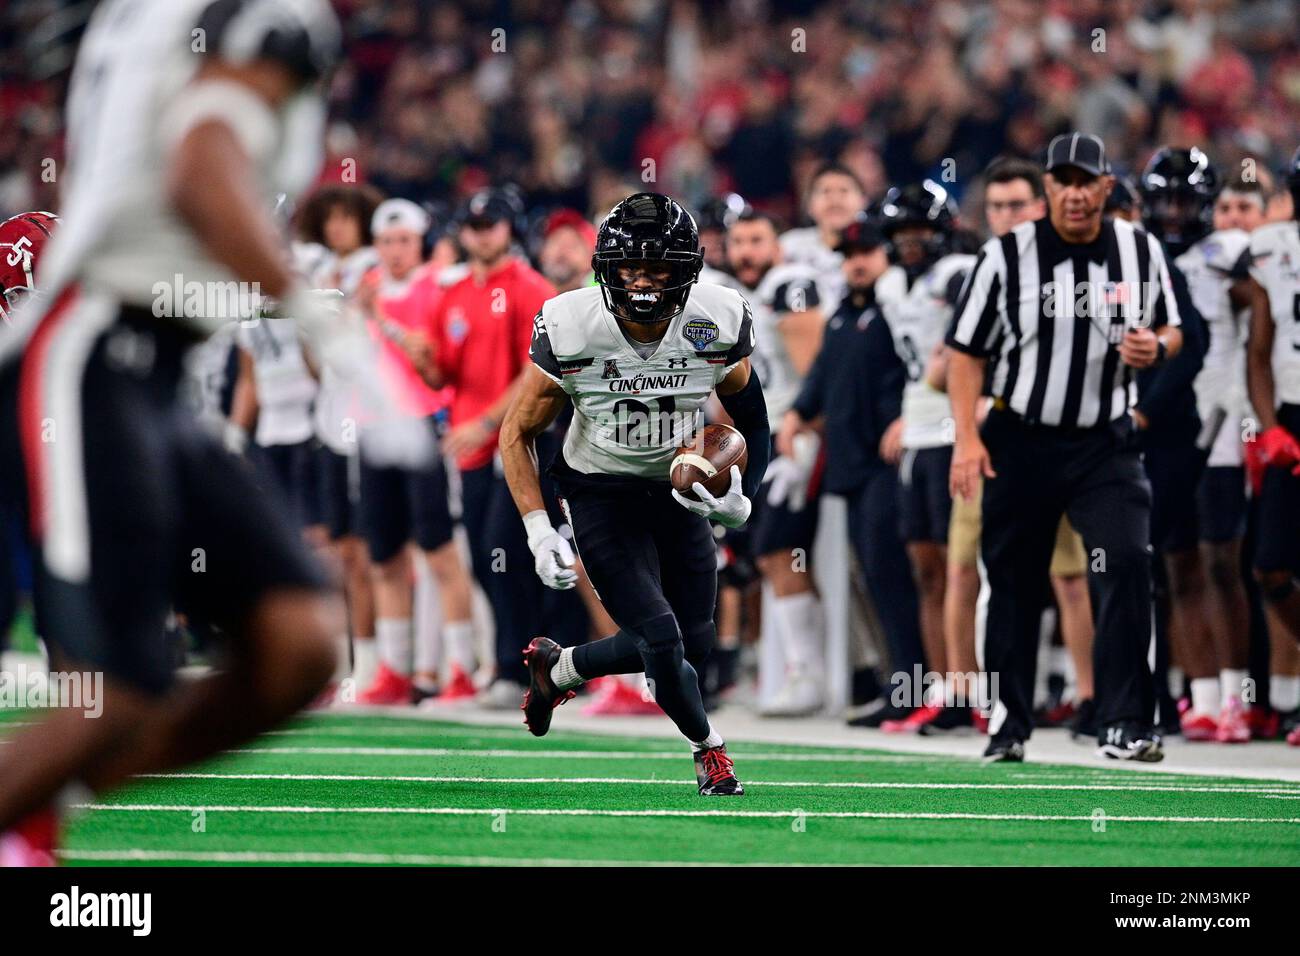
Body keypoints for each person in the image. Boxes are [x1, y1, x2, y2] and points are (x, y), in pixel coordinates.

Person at [0, 0, 363, 865]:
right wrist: (313, 309)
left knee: (299, 641)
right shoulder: (240, 18)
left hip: (162, 372)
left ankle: (44, 804)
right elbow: (202, 164)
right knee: (118, 686)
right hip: (92, 347)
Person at [499, 192, 769, 795]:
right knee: (663, 639)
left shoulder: (716, 317)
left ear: (688, 271)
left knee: (690, 642)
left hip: (678, 492)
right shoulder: (573, 323)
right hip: (600, 491)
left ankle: (559, 666)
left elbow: (754, 418)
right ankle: (710, 750)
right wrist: (539, 529)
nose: (644, 282)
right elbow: (516, 432)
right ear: (608, 268)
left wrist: (740, 496)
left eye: (659, 269)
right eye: (632, 268)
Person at [946, 132, 1184, 763]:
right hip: (1020, 437)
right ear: (1048, 188)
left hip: (1104, 442)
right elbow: (965, 353)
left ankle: (1125, 720)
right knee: (1014, 580)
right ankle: (1009, 721)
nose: (1076, 194)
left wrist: (1156, 349)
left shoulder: (1140, 249)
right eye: (1064, 182)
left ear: (1107, 187)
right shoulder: (1006, 257)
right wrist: (967, 439)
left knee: (1128, 561)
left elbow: (1173, 328)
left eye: (1088, 182)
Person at [939, 158, 1096, 738]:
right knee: (966, 571)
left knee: (1070, 576)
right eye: (996, 206)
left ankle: (1090, 696)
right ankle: (968, 695)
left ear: (1040, 205)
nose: (1005, 216)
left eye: (1016, 205)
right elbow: (947, 362)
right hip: (988, 439)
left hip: (1059, 440)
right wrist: (968, 424)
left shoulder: (1071, 265)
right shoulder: (981, 269)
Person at [780, 214, 925, 730]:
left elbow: (921, 367)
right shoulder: (843, 316)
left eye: (866, 253)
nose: (857, 262)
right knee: (871, 578)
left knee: (891, 577)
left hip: (887, 466)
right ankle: (898, 687)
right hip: (852, 467)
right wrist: (798, 411)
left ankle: (913, 688)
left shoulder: (895, 313)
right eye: (850, 255)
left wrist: (910, 417)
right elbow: (822, 375)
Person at [425, 187, 558, 707]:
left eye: (493, 224)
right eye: (475, 225)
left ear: (510, 229)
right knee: (485, 556)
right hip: (471, 444)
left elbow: (536, 369)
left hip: (519, 437)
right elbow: (443, 371)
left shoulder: (530, 287)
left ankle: (518, 665)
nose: (483, 233)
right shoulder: (453, 293)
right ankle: (516, 661)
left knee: (507, 549)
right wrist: (420, 358)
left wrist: (485, 422)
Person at [1140, 148, 1254, 743]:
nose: (1177, 211)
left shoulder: (1228, 254)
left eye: (1187, 200)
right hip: (1168, 425)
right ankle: (1203, 696)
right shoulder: (1141, 253)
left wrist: (1245, 409)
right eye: (1167, 200)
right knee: (1177, 562)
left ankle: (1240, 694)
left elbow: (1257, 329)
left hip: (1224, 418)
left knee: (1222, 560)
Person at [351, 198, 477, 704]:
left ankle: (461, 668)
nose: (395, 250)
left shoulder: (436, 287)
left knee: (439, 550)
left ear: (420, 240)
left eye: (404, 240)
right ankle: (393, 669)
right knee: (383, 555)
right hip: (372, 425)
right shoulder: (368, 288)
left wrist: (378, 317)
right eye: (386, 242)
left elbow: (426, 356)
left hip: (425, 422)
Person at [872, 181, 975, 733]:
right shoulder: (890, 285)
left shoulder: (958, 274)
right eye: (903, 232)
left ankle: (972, 688)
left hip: (956, 428)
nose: (912, 242)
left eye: (923, 231)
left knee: (961, 568)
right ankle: (940, 686)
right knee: (927, 567)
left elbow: (967, 351)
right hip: (916, 431)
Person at [722, 208, 827, 716]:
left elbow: (816, 374)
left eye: (757, 239)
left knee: (782, 551)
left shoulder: (791, 284)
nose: (746, 251)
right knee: (763, 556)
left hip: (798, 439)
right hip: (766, 442)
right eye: (738, 241)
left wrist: (804, 435)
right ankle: (784, 670)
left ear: (777, 246)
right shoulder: (737, 300)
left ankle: (811, 675)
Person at [1244, 146, 1300, 747]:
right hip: (1291, 414)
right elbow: (1258, 350)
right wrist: (1269, 426)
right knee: (1271, 565)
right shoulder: (1274, 247)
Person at [780, 163, 867, 305]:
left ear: (863, 201)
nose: (835, 200)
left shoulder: (876, 249)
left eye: (844, 191)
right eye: (825, 191)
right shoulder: (789, 245)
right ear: (809, 205)